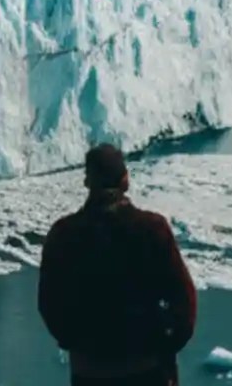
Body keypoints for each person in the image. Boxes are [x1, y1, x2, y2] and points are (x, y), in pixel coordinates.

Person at [38, 144, 197, 386]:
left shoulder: (64, 233)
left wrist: (75, 343)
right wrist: (165, 346)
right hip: (147, 369)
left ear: (87, 182)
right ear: (125, 180)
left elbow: (49, 303)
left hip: (89, 372)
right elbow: (184, 299)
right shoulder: (152, 229)